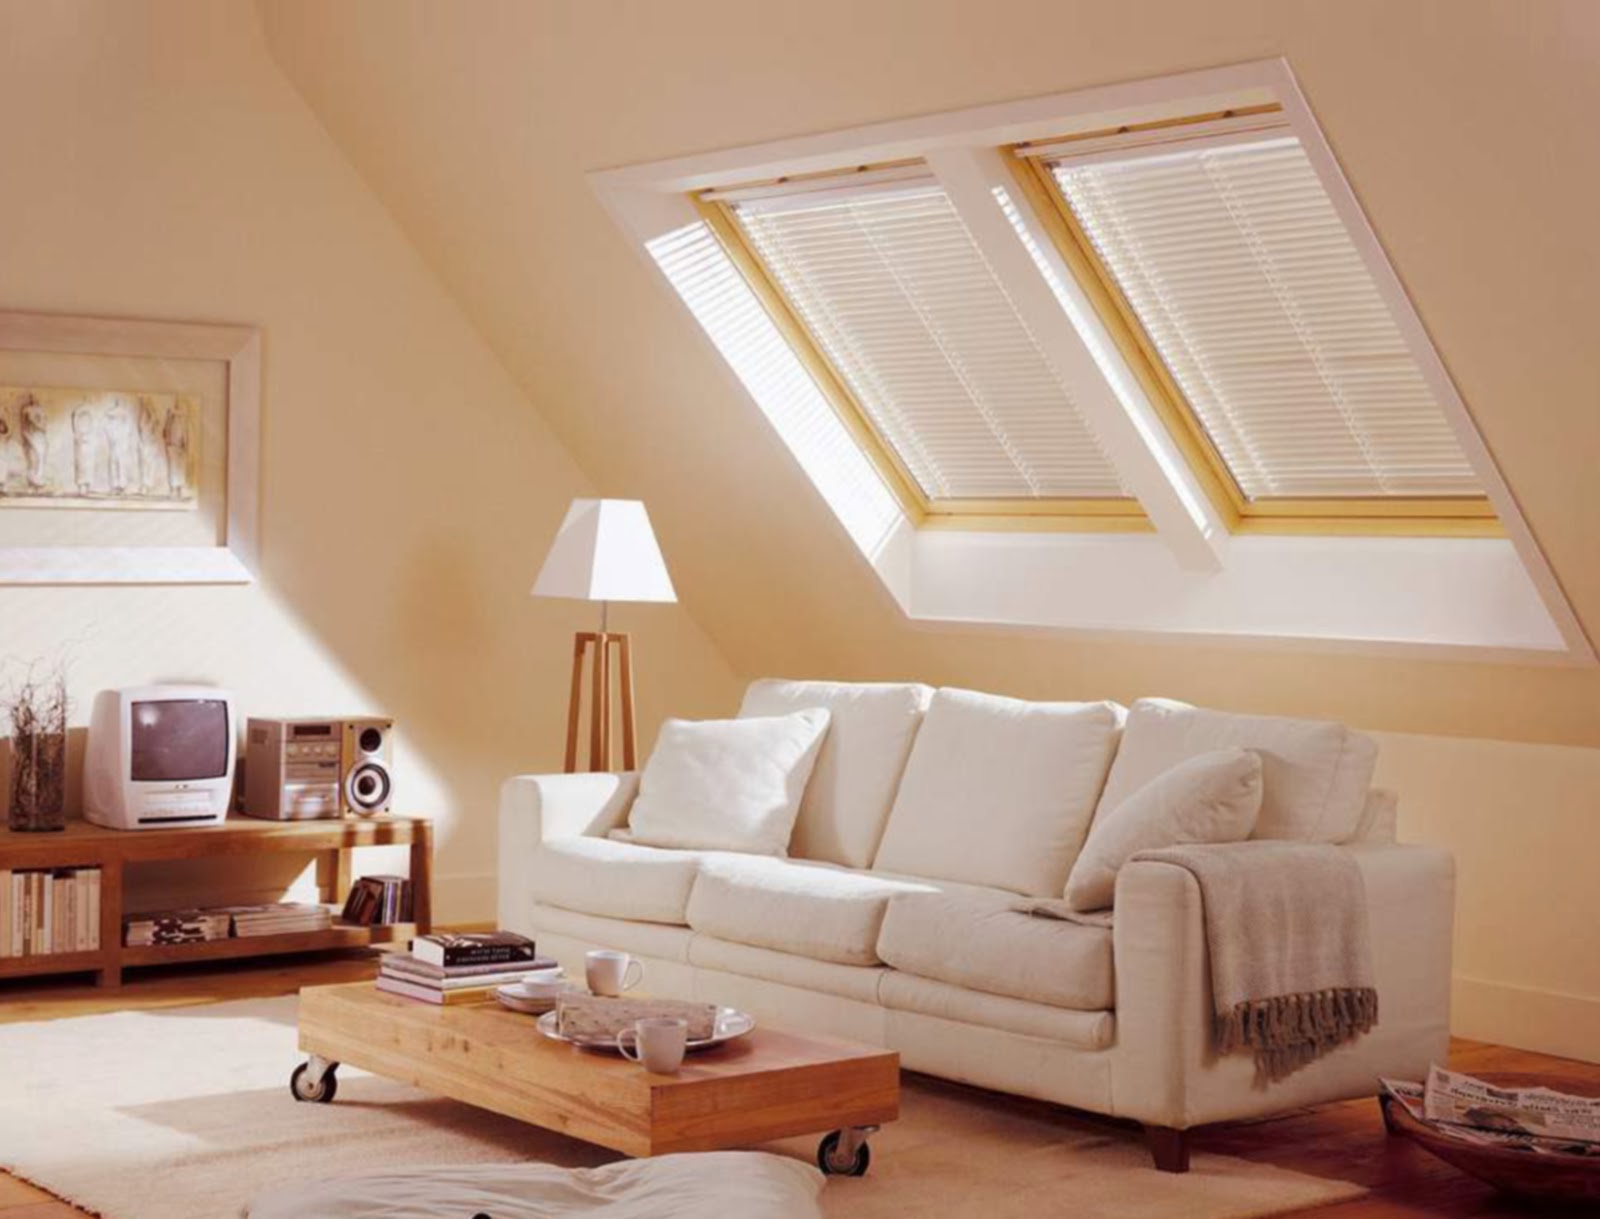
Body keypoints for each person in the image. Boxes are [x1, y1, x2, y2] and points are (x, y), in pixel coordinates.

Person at [19, 394, 48, 491]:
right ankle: (31, 483)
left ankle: (38, 483)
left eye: (35, 397)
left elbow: (43, 427)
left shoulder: (41, 411)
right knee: (32, 461)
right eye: (31, 397)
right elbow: (23, 426)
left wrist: (34, 422)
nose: (33, 399)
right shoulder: (26, 410)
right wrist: (26, 437)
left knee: (40, 460)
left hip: (40, 438)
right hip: (30, 437)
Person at [164, 402, 190, 497]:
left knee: (180, 468)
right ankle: (173, 489)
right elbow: (165, 433)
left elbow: (185, 435)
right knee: (173, 468)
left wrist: (185, 445)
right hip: (172, 447)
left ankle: (179, 489)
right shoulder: (170, 421)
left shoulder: (182, 422)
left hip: (180, 447)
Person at [71, 404, 96, 494]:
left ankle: (88, 485)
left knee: (88, 466)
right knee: (81, 466)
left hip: (88, 453)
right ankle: (81, 486)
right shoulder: (78, 433)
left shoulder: (91, 433)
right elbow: (75, 417)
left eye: (87, 420)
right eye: (83, 420)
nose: (85, 421)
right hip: (81, 452)